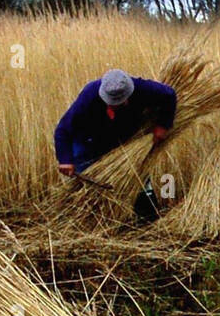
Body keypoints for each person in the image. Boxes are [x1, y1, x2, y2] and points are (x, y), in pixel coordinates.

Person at [54, 69, 176, 223]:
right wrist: (65, 159)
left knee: (139, 174)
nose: (117, 104)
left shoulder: (144, 89)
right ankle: (89, 220)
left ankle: (146, 219)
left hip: (125, 137)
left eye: (121, 101)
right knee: (87, 178)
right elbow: (63, 129)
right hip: (89, 138)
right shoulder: (89, 95)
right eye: (113, 102)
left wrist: (163, 125)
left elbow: (169, 95)